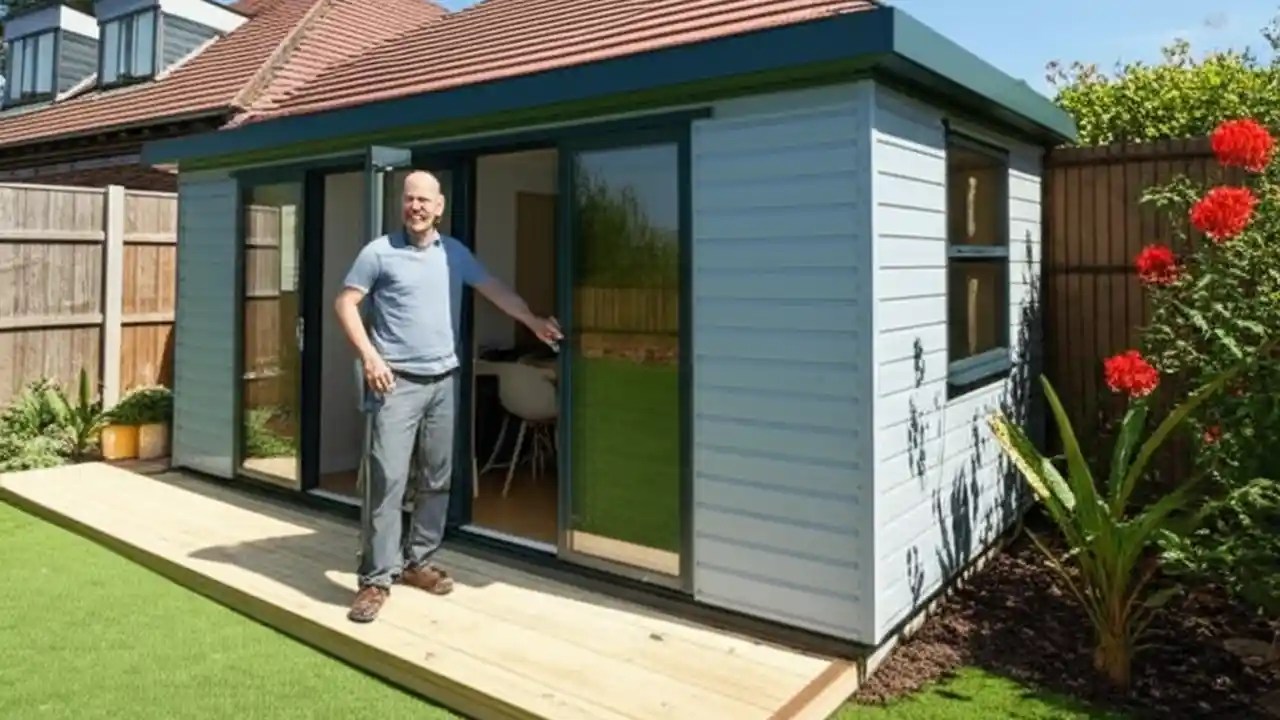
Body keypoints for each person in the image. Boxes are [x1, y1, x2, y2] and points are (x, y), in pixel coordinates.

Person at [334, 170, 562, 623]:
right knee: (387, 483)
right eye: (409, 199)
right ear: (403, 204)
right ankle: (376, 579)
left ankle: (417, 561)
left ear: (440, 207)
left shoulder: (453, 254)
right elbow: (345, 304)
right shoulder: (379, 253)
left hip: (444, 382)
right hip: (394, 383)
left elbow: (493, 289)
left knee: (437, 477)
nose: (416, 207)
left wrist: (532, 320)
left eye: (425, 200)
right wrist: (371, 358)